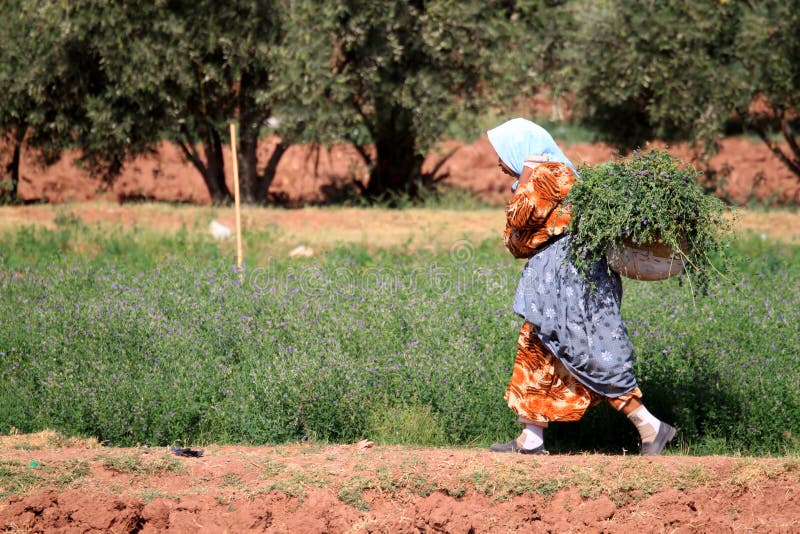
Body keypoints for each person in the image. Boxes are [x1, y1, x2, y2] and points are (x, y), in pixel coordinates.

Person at [486, 118, 675, 456]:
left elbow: (519, 219)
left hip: (571, 278)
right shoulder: (537, 178)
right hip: (552, 281)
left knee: (587, 348)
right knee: (538, 347)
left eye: (502, 154)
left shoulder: (552, 174)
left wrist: (527, 174)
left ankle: (650, 424)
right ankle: (531, 439)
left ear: (519, 149)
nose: (499, 163)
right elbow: (516, 236)